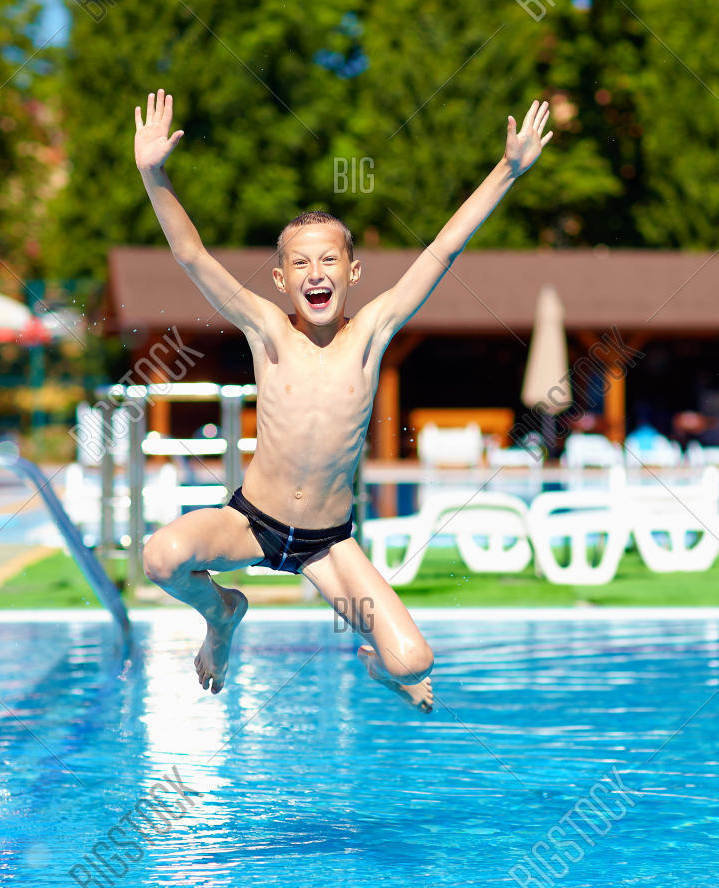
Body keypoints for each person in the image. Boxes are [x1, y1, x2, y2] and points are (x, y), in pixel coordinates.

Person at [133, 89, 553, 713]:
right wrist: (152, 173)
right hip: (251, 524)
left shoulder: (373, 333)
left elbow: (442, 249)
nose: (315, 271)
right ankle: (221, 614)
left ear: (354, 272)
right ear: (280, 280)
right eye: (299, 263)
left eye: (330, 259)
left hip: (327, 544)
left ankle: (383, 671)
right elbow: (191, 254)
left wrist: (506, 172)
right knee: (161, 557)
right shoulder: (266, 328)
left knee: (414, 660)